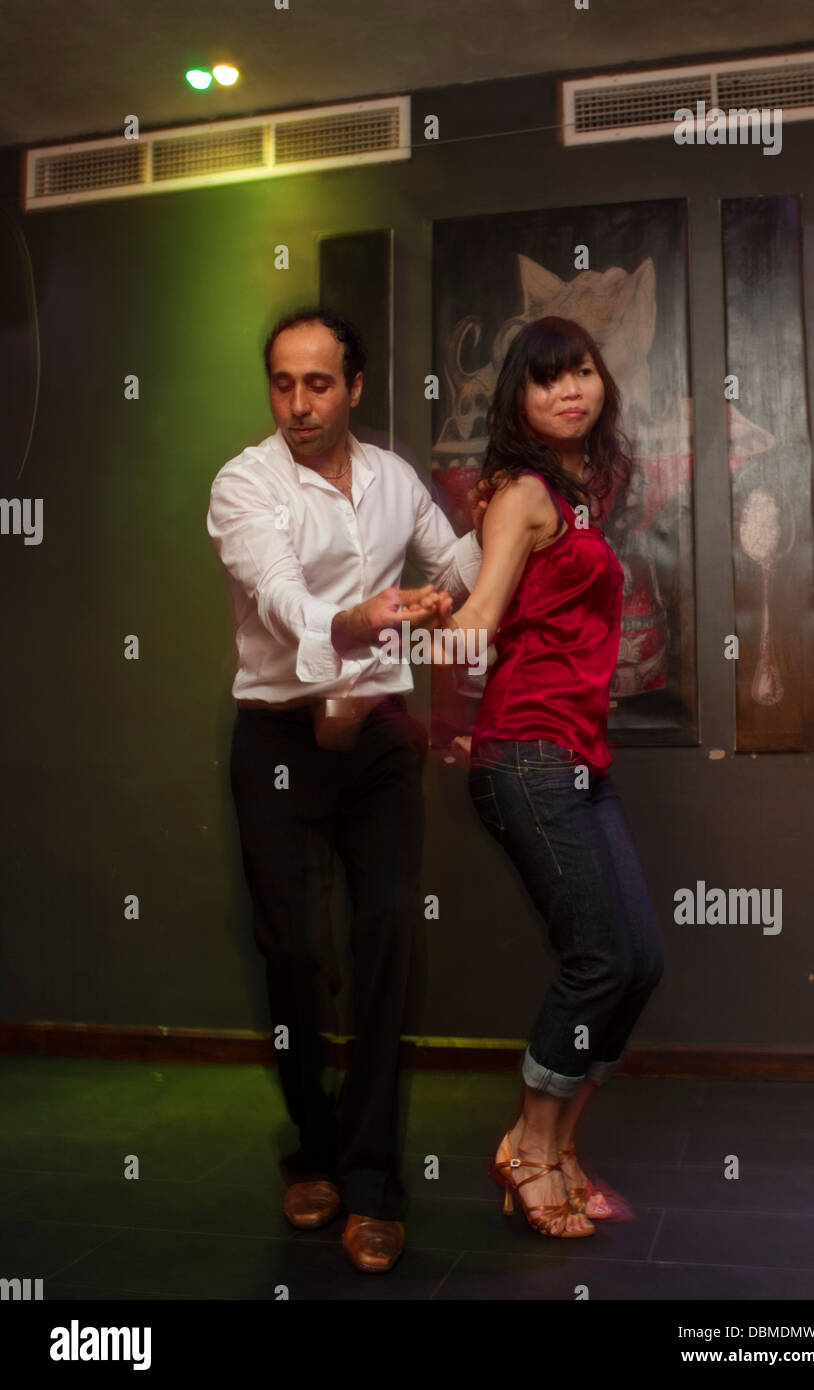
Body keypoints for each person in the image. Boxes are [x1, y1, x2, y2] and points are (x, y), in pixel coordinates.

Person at [206, 307, 482, 1272]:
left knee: (387, 936)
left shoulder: (397, 481)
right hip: (277, 738)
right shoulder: (245, 484)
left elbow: (460, 565)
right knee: (288, 949)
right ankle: (311, 1152)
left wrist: (465, 582)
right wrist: (358, 620)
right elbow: (280, 597)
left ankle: (372, 1183)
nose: (298, 404)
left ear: (353, 387)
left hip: (376, 744)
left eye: (318, 384)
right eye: (282, 383)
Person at [423, 315, 664, 1238]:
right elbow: (483, 610)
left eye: (584, 372)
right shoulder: (523, 494)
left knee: (638, 960)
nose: (571, 390)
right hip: (526, 750)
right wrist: (436, 631)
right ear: (520, 402)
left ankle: (560, 1145)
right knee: (600, 957)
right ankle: (529, 1145)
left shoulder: (584, 493)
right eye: (546, 379)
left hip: (577, 755)